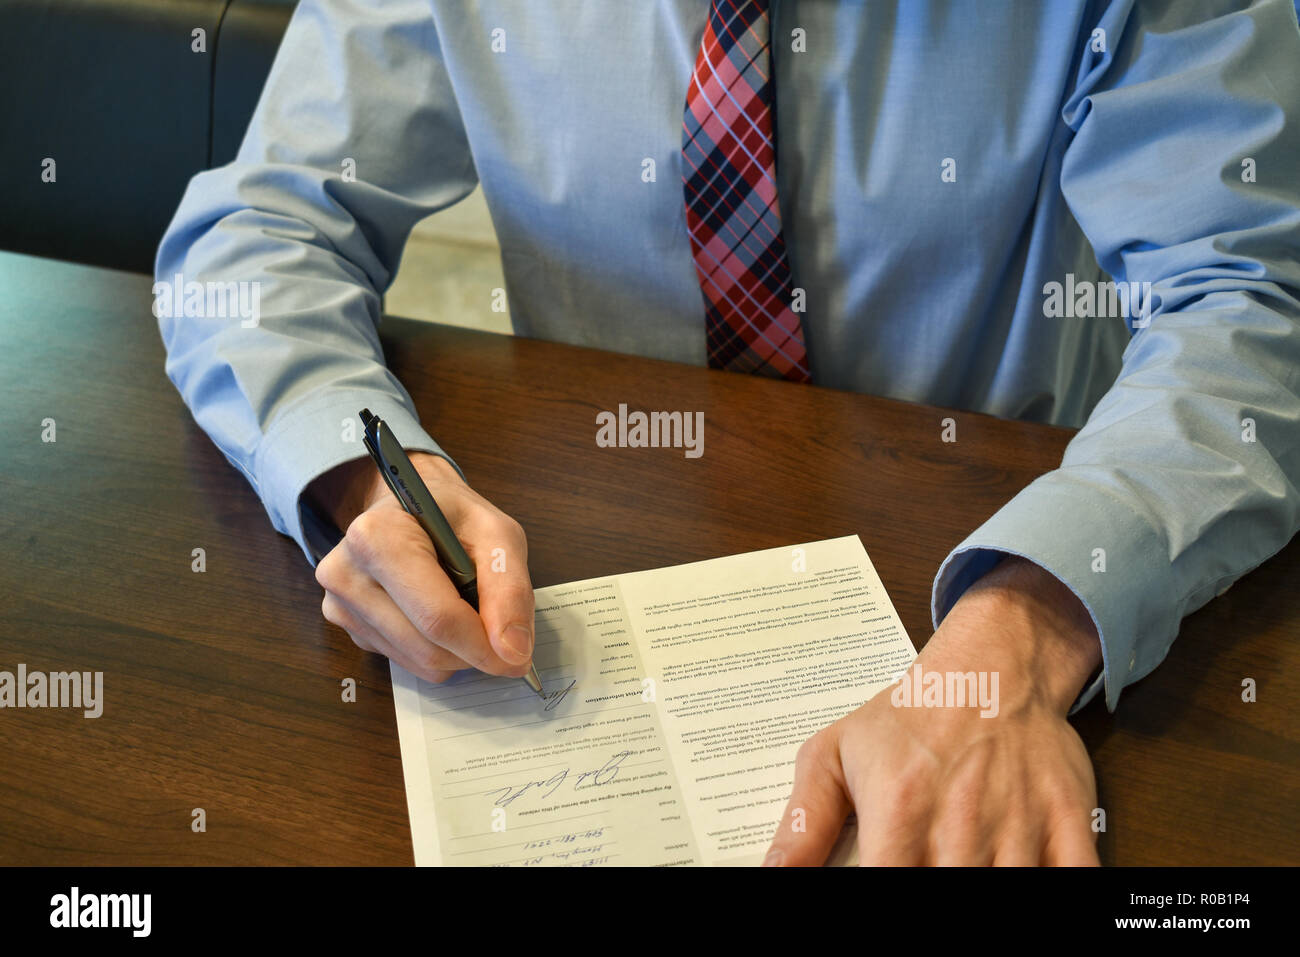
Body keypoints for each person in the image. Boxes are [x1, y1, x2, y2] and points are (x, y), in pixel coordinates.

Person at [154, 0, 1300, 865]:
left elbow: (1254, 304)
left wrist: (1028, 629)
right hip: (590, 560)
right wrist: (358, 479)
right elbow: (263, 229)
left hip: (977, 557)